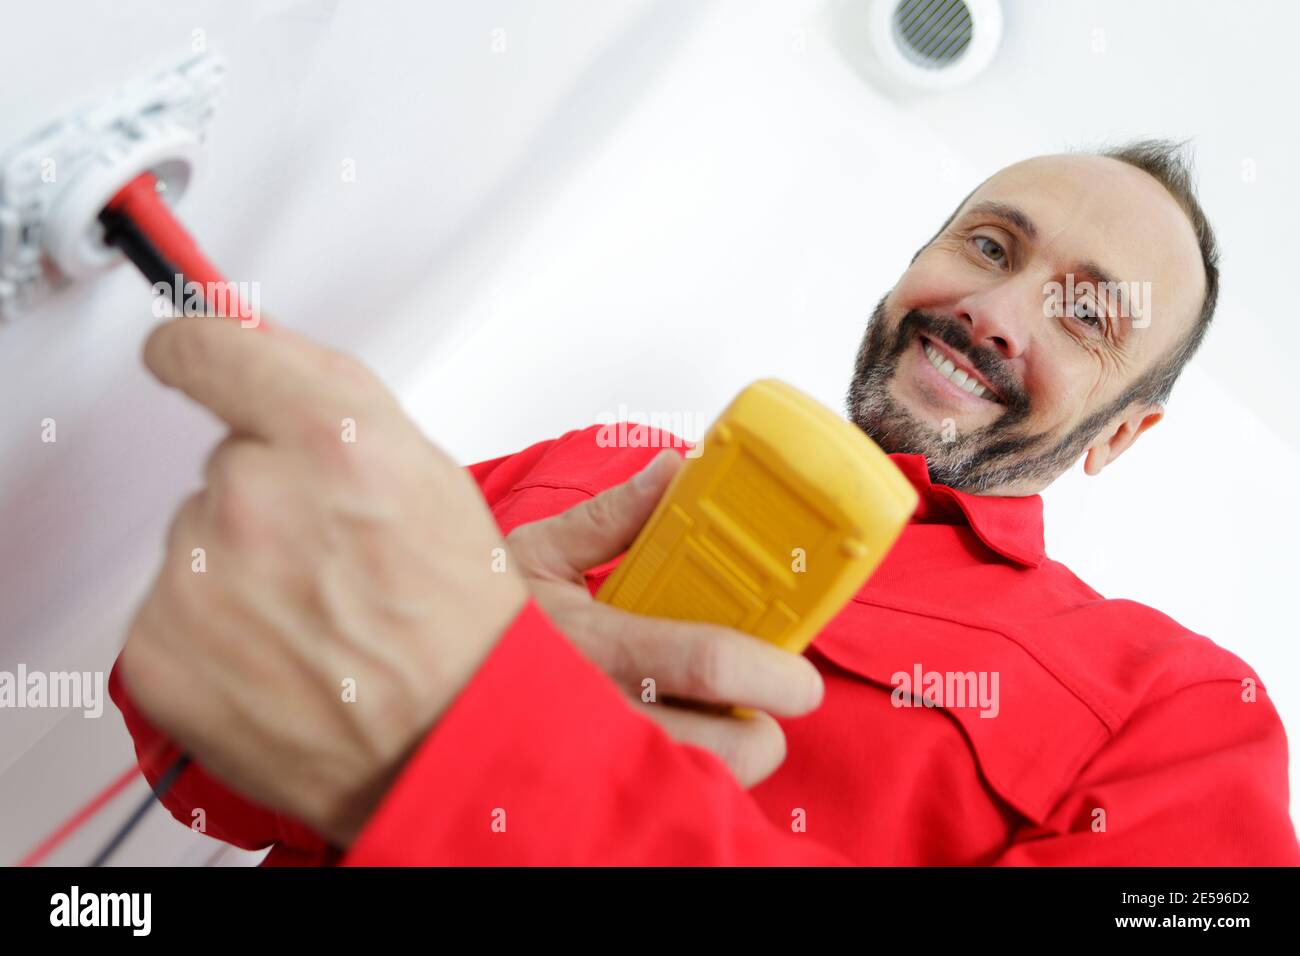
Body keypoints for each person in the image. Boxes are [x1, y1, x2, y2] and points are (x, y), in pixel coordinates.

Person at [110, 140, 1300, 864]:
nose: (999, 312)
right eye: (989, 247)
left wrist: (481, 749)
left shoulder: (1183, 711)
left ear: (1124, 432)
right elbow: (189, 746)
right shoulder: (592, 467)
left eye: (1087, 315)